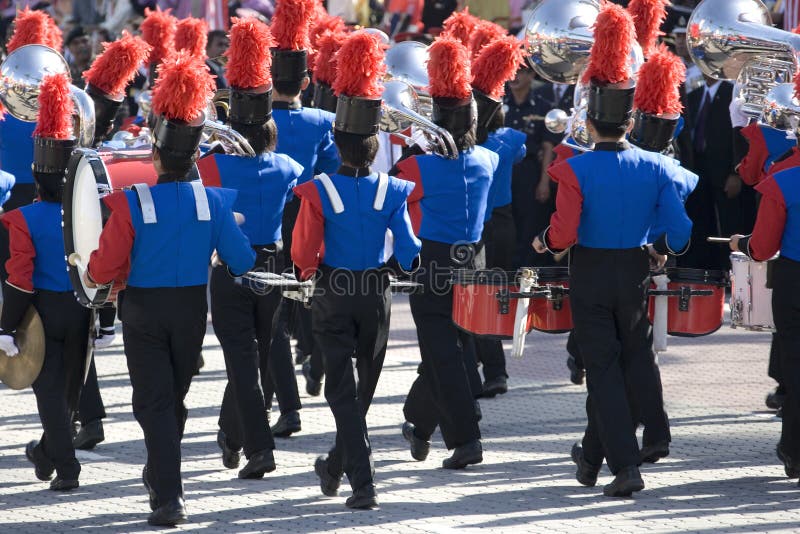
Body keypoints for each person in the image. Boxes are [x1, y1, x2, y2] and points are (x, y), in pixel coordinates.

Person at [85, 51, 256, 526]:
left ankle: (167, 494)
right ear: (196, 154)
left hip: (142, 310)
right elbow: (242, 261)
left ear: (154, 155)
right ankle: (163, 477)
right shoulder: (215, 202)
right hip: (189, 314)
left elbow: (104, 268)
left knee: (155, 402)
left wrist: (89, 265)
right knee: (171, 399)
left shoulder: (130, 202)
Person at [532, 3, 694, 497]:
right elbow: (680, 231)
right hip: (635, 269)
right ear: (629, 117)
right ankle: (593, 456)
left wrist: (545, 243)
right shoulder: (657, 166)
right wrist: (662, 250)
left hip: (592, 271)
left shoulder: (574, 170)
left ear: (593, 117)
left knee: (601, 369)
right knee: (631, 357)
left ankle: (625, 466)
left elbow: (563, 232)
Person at [294, 31, 421, 509]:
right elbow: (409, 249)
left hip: (332, 291)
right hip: (376, 294)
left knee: (343, 394)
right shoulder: (393, 189)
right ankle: (335, 466)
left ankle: (360, 481)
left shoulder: (319, 188)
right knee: (361, 389)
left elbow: (305, 253)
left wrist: (306, 273)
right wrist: (401, 263)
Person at [197, 16, 302, 479]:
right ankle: (231, 430)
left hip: (230, 267)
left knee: (243, 360)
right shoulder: (287, 166)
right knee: (256, 357)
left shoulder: (212, 166)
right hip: (273, 264)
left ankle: (259, 450)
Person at [399, 36, 498, 470]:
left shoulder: (414, 166)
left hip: (433, 265)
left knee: (442, 352)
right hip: (472, 265)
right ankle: (419, 424)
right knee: (452, 351)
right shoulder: (489, 161)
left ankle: (465, 439)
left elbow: (394, 194)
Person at [0, 73, 92, 492]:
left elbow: (19, 279)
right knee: (71, 387)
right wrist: (106, 317)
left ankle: (67, 467)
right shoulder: (89, 215)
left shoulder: (22, 218)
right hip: (82, 307)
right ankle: (49, 454)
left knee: (49, 392)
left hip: (41, 312)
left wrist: (5, 326)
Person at [268, 0, 340, 437]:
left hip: (269, 218)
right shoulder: (322, 120)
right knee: (312, 294)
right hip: (310, 213)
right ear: (307, 81)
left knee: (272, 315)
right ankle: (314, 358)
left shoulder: (251, 119)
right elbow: (332, 170)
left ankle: (288, 407)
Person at [471, 36, 527, 396]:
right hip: (504, 224)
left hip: (478, 228)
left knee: (477, 300)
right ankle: (492, 368)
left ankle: (492, 370)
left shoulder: (470, 146)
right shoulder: (509, 140)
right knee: (492, 297)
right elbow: (520, 153)